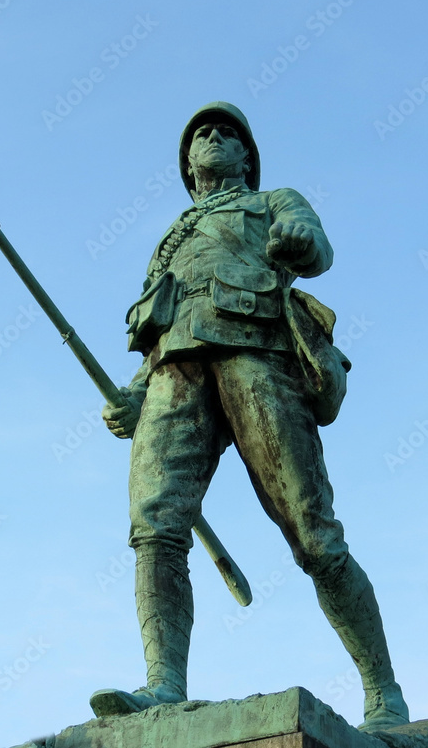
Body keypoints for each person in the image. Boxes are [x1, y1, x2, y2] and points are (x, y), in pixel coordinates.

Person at [90, 102, 409, 733]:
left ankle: (384, 691)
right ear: (187, 164)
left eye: (225, 132)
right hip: (174, 376)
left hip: (257, 356)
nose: (211, 137)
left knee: (315, 538)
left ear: (247, 157)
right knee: (154, 527)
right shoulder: (170, 238)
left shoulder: (273, 202)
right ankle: (163, 685)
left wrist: (299, 242)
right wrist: (133, 391)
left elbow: (317, 249)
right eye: (201, 134)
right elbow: (159, 321)